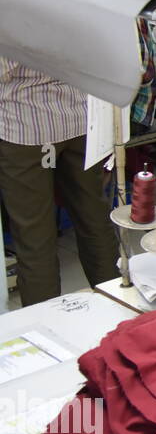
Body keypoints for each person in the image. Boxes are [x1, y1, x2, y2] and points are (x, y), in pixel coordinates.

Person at [0, 57, 122, 306]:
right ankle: (118, 308)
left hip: (28, 124)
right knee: (94, 220)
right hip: (79, 117)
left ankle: (45, 326)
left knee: (35, 238)